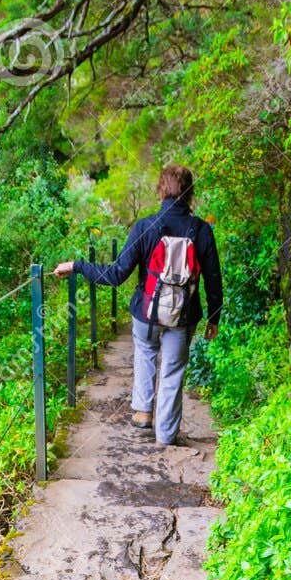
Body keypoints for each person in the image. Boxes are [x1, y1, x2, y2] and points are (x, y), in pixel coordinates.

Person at [53, 165, 222, 447]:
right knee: (172, 371)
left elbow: (117, 274)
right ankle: (166, 436)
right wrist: (214, 316)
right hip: (183, 316)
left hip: (146, 314)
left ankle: (143, 414)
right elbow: (213, 278)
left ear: (161, 191)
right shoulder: (201, 230)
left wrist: (77, 265)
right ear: (191, 194)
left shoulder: (146, 227)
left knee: (144, 353)